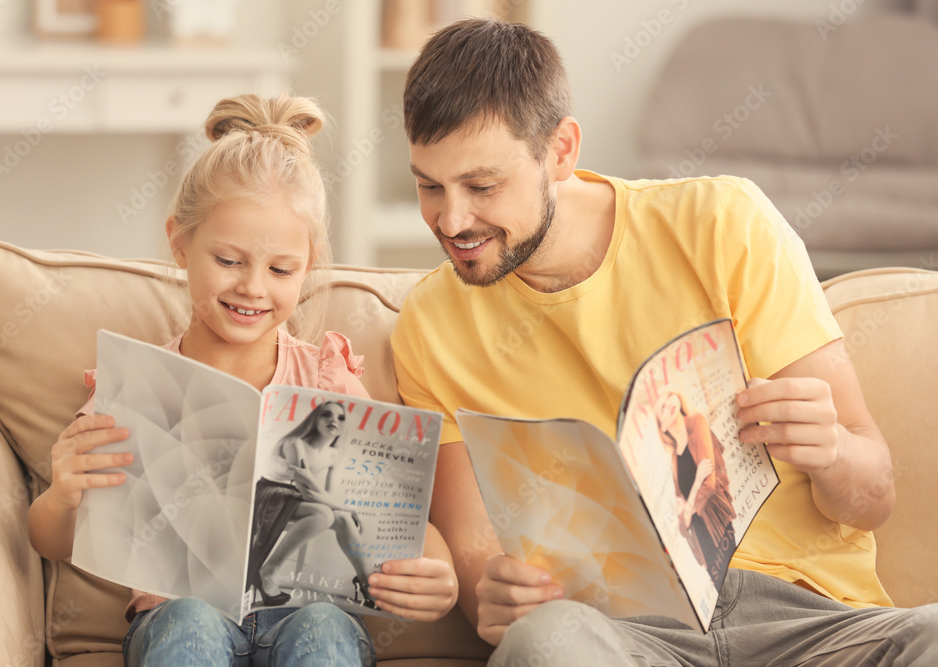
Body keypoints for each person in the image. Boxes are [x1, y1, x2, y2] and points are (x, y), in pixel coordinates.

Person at [390, 17, 937, 666]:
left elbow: (874, 495)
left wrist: (834, 451)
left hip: (805, 618)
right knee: (545, 642)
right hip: (625, 633)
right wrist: (499, 596)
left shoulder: (723, 226)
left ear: (561, 150)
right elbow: (477, 563)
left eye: (481, 186)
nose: (452, 220)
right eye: (429, 186)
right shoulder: (429, 324)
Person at [28, 93, 457, 667]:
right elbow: (52, 542)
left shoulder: (327, 383)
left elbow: (400, 520)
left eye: (281, 270)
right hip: (180, 608)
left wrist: (441, 575)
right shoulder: (139, 385)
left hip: (309, 613)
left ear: (306, 267)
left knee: (325, 629)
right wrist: (63, 494)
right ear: (180, 244)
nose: (254, 287)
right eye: (229, 260)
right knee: (187, 624)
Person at [248, 400, 376, 610]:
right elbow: (307, 489)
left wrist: (343, 511)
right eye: (327, 414)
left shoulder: (333, 455)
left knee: (340, 517)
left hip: (297, 498)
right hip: (271, 494)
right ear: (315, 419)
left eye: (340, 417)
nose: (334, 420)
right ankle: (269, 570)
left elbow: (326, 495)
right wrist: (348, 508)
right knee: (325, 514)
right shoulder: (295, 444)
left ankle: (366, 582)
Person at [655, 391, 736, 588]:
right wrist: (693, 493)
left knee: (734, 578)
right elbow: (683, 526)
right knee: (719, 587)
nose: (668, 403)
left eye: (668, 397)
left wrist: (688, 508)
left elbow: (709, 483)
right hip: (701, 539)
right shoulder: (674, 458)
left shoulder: (697, 422)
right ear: (662, 427)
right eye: (662, 408)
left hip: (717, 523)